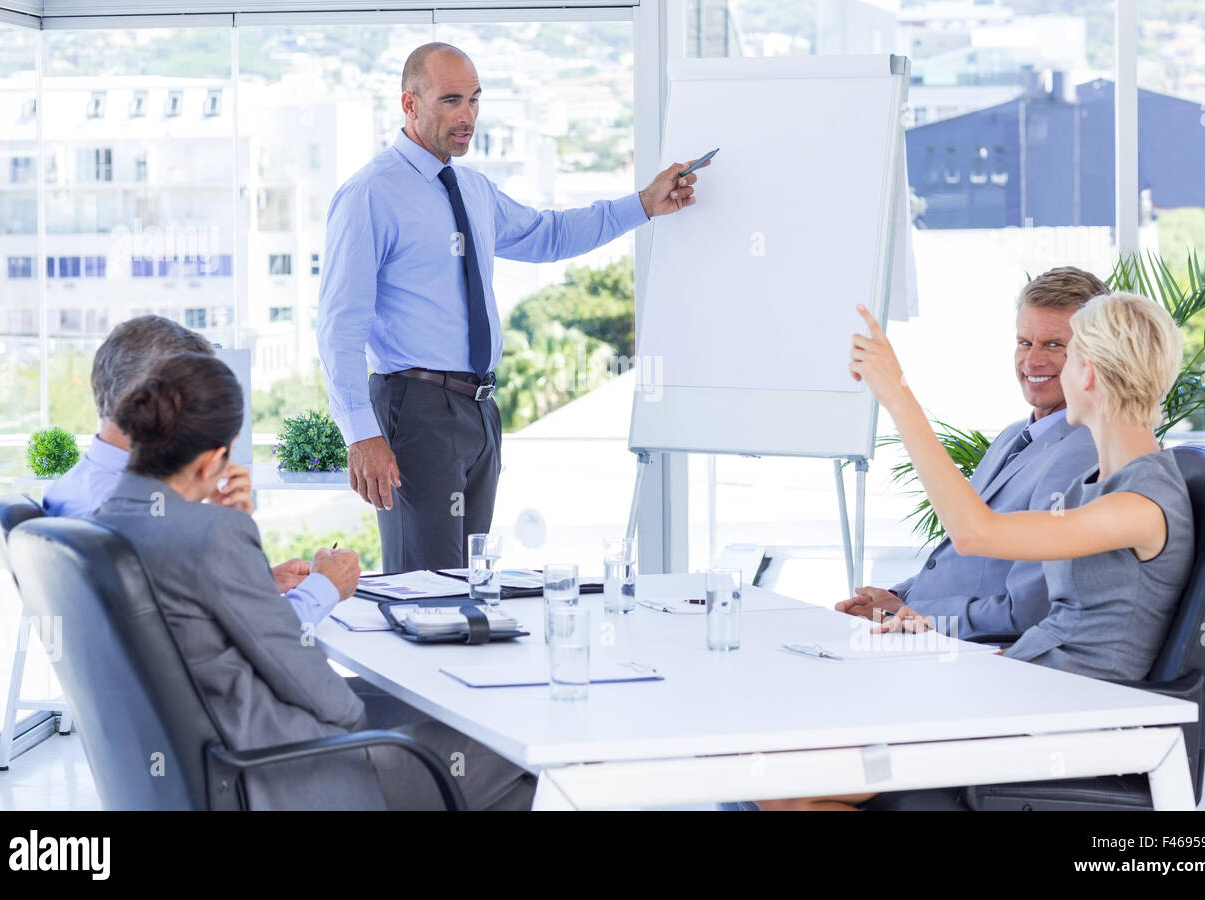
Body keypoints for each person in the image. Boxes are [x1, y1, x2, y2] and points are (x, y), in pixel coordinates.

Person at [763, 290, 1193, 811]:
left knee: (789, 794)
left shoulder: (1140, 505)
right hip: (1022, 686)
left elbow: (976, 533)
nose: (1047, 366)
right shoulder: (1098, 484)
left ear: (1089, 374)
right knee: (784, 761)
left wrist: (897, 394)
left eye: (1068, 352)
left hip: (1064, 718)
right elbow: (1060, 627)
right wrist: (940, 642)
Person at [318, 41, 709, 573]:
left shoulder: (474, 190)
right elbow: (340, 326)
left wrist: (642, 204)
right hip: (415, 409)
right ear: (409, 104)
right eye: (451, 100)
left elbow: (547, 235)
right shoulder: (370, 194)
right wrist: (360, 433)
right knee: (427, 591)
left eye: (475, 100)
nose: (467, 116)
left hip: (479, 410)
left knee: (469, 580)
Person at [93, 352, 534, 809]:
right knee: (516, 739)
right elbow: (329, 701)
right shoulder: (212, 536)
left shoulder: (105, 525)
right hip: (294, 774)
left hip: (208, 763)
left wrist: (251, 575)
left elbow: (192, 625)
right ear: (211, 462)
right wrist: (316, 582)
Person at [836, 267, 1107, 637]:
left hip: (981, 658)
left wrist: (915, 614)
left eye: (1054, 345)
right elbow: (970, 564)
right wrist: (897, 599)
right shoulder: (1013, 436)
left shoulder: (1083, 453)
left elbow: (1026, 611)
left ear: (1093, 355)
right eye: (1025, 343)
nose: (1032, 362)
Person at [42, 315, 329, 625]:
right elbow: (260, 636)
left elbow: (176, 605)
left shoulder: (70, 489)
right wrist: (324, 588)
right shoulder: (136, 520)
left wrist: (259, 583)